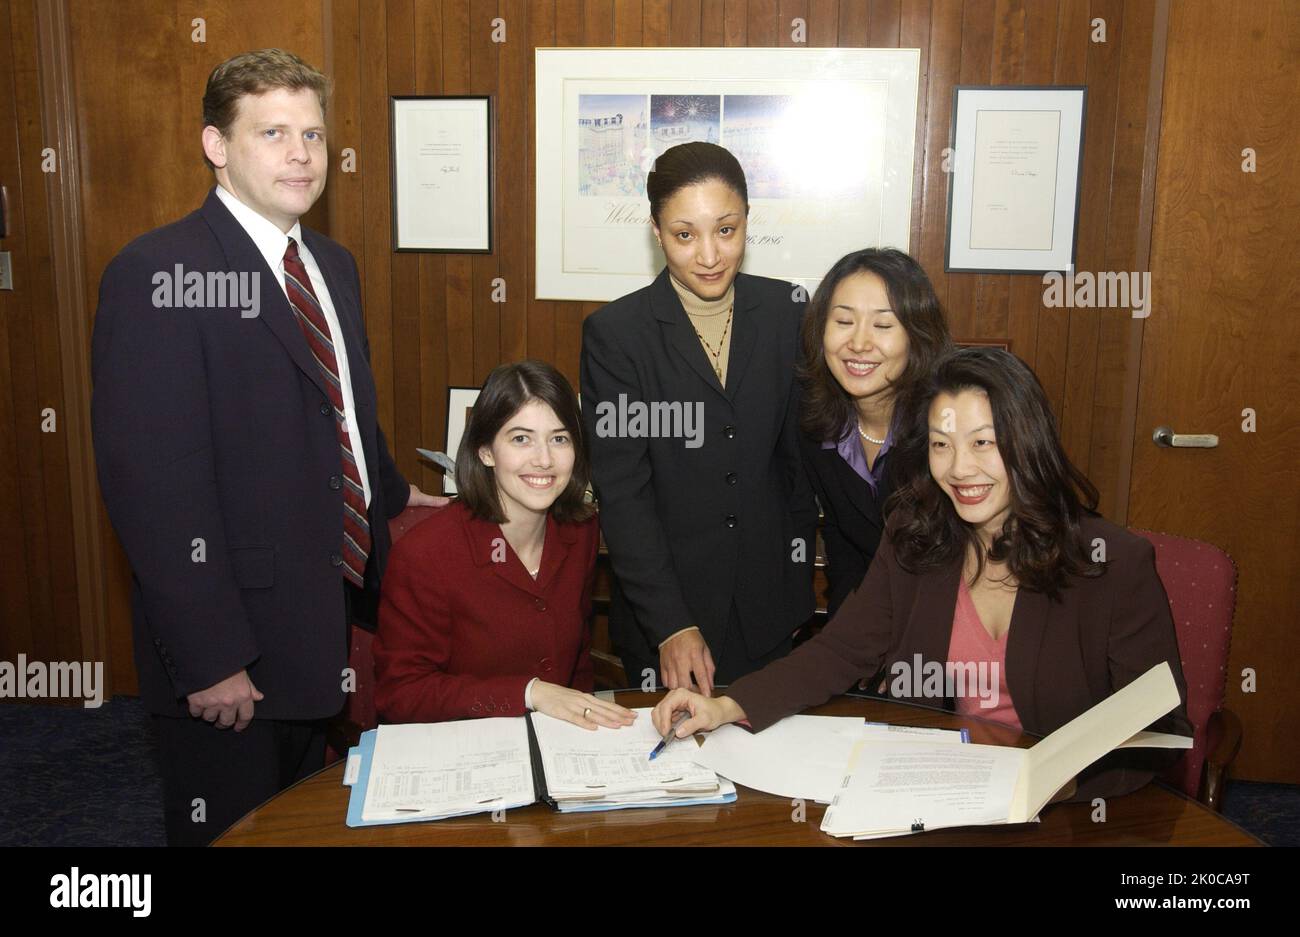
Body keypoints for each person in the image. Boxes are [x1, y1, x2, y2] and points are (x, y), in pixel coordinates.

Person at [91, 49, 443, 846]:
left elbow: (341, 412)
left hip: (324, 627)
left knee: (304, 830)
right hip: (231, 650)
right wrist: (210, 656)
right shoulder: (157, 272)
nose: (300, 155)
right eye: (273, 132)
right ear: (216, 145)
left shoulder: (333, 265)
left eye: (313, 135)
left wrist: (390, 491)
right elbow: (151, 486)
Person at [653, 347, 1194, 803]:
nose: (960, 469)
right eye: (942, 444)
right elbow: (840, 651)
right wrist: (727, 704)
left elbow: (1161, 731)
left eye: (983, 443)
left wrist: (1069, 783)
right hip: (940, 795)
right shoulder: (917, 538)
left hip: (1073, 815)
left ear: (1027, 442)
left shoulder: (1111, 562)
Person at [580, 142, 817, 696]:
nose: (709, 254)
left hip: (770, 612)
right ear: (657, 233)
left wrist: (795, 582)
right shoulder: (618, 336)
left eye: (726, 230)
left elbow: (798, 467)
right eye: (685, 234)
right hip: (666, 618)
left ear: (747, 224)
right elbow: (623, 493)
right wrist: (670, 622)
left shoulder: (790, 314)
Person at [373, 361, 636, 729]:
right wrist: (530, 693)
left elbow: (576, 663)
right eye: (520, 438)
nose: (544, 460)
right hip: (459, 751)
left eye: (559, 438)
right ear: (485, 451)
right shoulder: (425, 555)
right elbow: (400, 695)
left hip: (557, 748)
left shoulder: (580, 531)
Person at [798, 248, 951, 617]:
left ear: (917, 335)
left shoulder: (949, 431)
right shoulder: (817, 427)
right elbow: (845, 545)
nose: (859, 343)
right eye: (844, 322)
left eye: (883, 326)